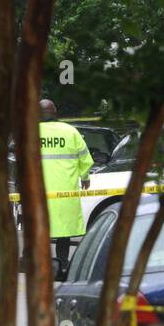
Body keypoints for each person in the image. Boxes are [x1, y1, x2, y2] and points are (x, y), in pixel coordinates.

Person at [38, 100, 94, 279]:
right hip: (65, 193)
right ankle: (62, 265)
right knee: (64, 233)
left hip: (40, 193)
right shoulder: (71, 132)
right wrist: (85, 177)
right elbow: (85, 159)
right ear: (55, 112)